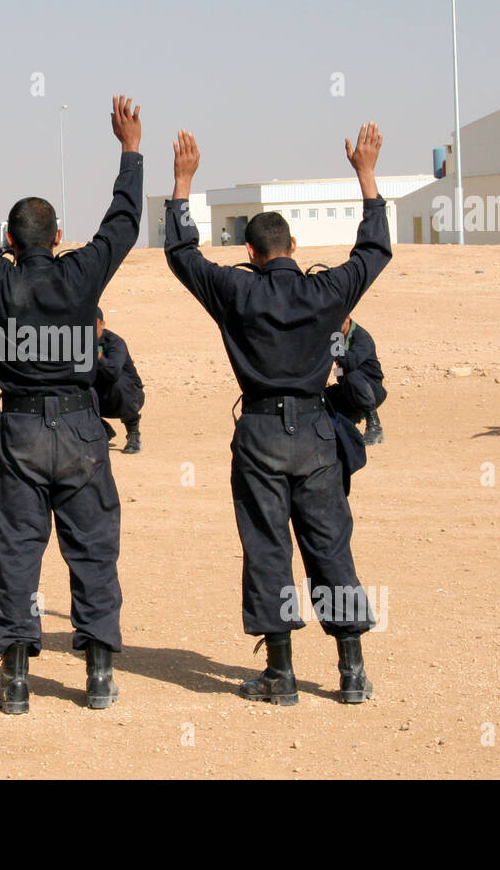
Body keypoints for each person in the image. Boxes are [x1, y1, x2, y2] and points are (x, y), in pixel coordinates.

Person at [0, 95, 143, 713]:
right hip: (79, 427)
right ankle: (97, 676)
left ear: (11, 241)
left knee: (19, 548)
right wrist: (129, 150)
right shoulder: (82, 275)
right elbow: (123, 223)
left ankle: (16, 680)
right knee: (92, 547)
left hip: (19, 427)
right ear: (58, 238)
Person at [164, 124, 389, 707]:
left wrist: (183, 183)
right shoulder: (327, 293)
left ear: (250, 253)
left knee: (267, 548)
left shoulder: (237, 292)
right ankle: (352, 670)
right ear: (292, 249)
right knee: (329, 546)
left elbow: (181, 254)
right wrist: (365, 174)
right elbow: (374, 251)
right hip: (316, 433)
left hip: (261, 430)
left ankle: (281, 675)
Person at [325, 316, 386, 446]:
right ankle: (345, 429)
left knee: (353, 377)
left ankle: (374, 426)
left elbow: (351, 363)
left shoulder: (361, 337)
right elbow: (339, 368)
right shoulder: (338, 336)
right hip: (349, 389)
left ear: (347, 319)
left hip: (370, 390)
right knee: (323, 396)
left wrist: (333, 347)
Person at [94, 308, 144, 453]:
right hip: (98, 397)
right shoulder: (74, 341)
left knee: (119, 383)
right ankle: (103, 429)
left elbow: (113, 372)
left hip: (128, 395)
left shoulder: (114, 342)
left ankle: (133, 433)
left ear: (102, 324)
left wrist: (96, 355)